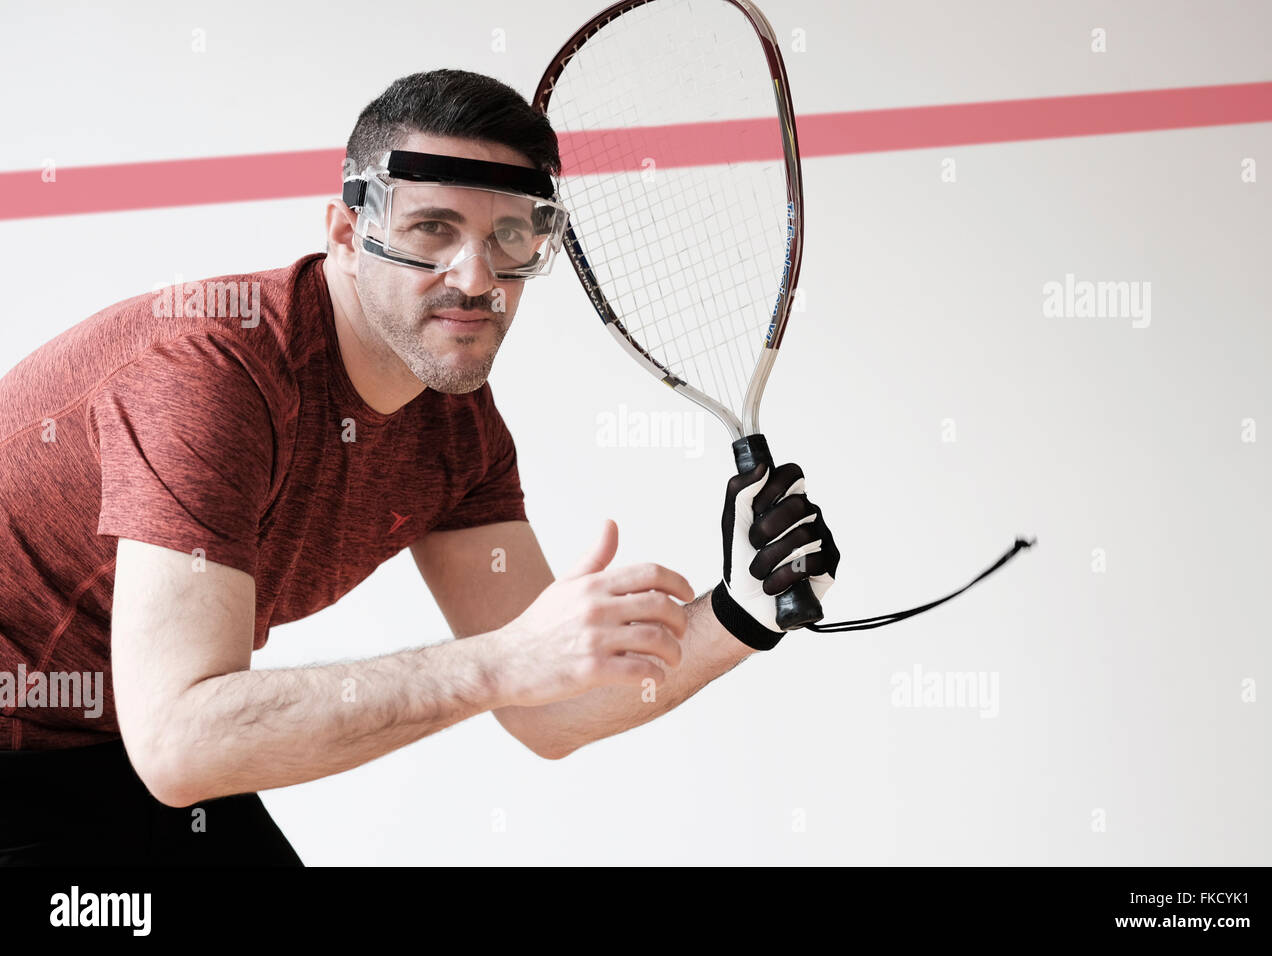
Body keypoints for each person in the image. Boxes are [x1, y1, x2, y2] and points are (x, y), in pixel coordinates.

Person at [0, 69, 838, 866]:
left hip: (127, 737)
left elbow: (547, 714)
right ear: (346, 233)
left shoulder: (456, 428)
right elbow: (182, 744)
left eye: (510, 235)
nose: (475, 278)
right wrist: (502, 660)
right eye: (432, 230)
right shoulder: (213, 377)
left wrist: (741, 613)